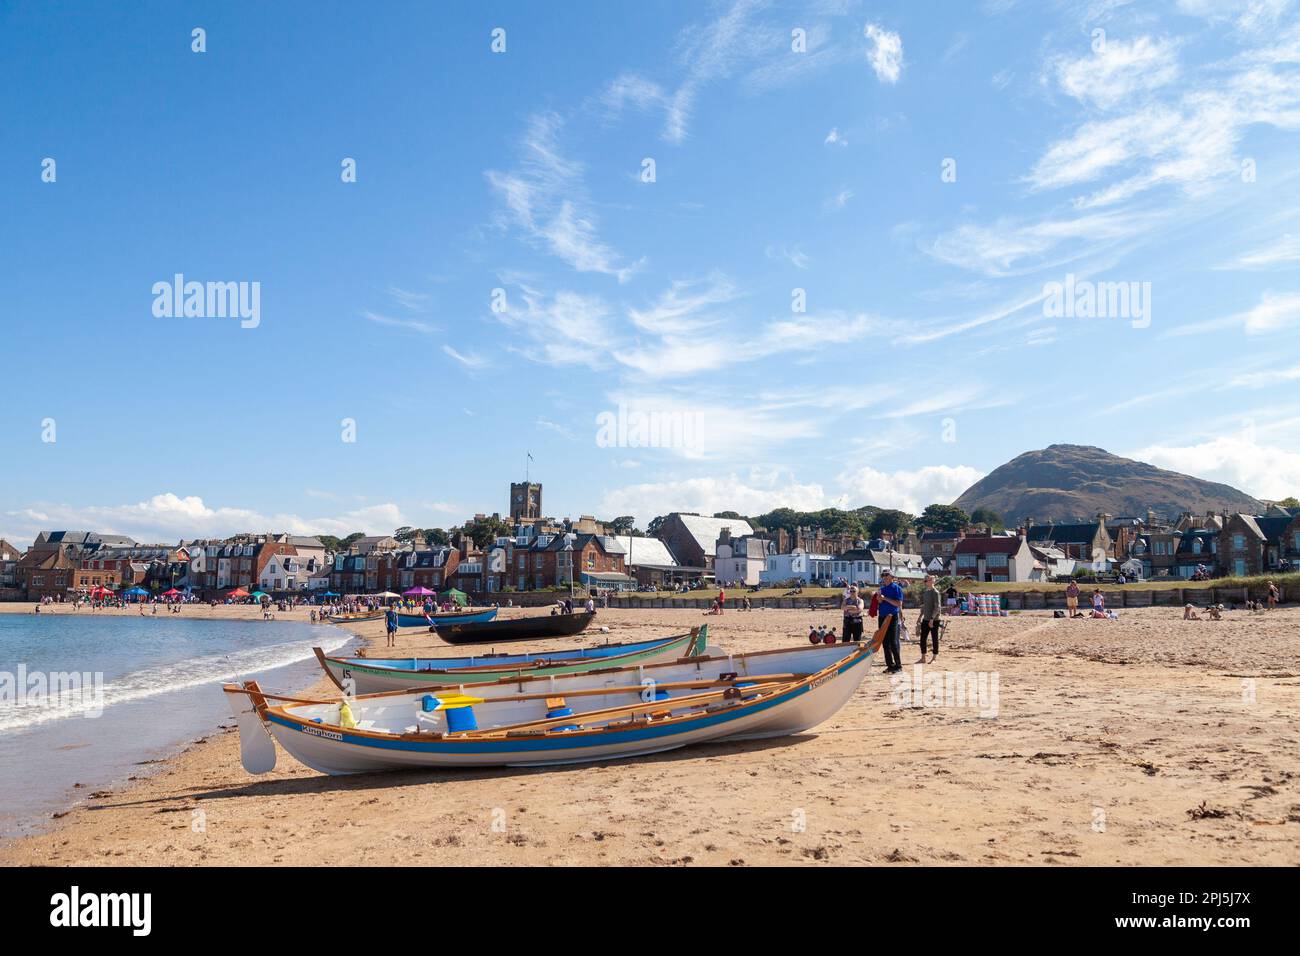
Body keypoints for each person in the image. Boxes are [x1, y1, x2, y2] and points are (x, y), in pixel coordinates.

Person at [876, 570, 904, 673]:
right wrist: (879, 598)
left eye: (887, 575)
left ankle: (898, 666)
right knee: (885, 642)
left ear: (892, 577)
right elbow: (880, 602)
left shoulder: (897, 588)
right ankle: (890, 665)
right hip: (882, 616)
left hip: (892, 617)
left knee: (893, 642)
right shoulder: (882, 589)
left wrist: (885, 598)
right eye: (883, 575)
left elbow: (898, 603)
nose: (885, 577)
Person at [917, 574, 941, 663]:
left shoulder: (935, 592)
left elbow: (937, 607)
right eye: (925, 580)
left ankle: (934, 658)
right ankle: (923, 657)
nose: (925, 582)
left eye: (926, 581)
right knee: (923, 638)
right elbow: (924, 606)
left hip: (934, 620)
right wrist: (920, 616)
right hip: (925, 619)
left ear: (931, 581)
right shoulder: (926, 592)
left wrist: (932, 619)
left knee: (934, 638)